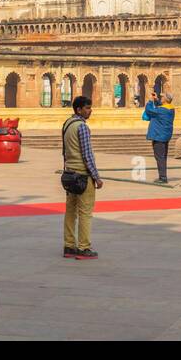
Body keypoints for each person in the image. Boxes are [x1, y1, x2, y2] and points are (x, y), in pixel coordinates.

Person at [61, 95, 103, 260]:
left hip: (70, 173)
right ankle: (84, 247)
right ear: (79, 109)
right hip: (82, 175)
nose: (90, 111)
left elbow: (64, 152)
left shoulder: (67, 124)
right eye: (87, 108)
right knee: (85, 212)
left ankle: (69, 245)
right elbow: (87, 155)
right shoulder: (82, 127)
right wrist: (96, 177)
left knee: (70, 211)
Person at [143, 91, 176, 184]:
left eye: (162, 97)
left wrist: (150, 101)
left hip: (159, 136)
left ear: (166, 99)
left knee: (159, 157)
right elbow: (161, 106)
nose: (161, 98)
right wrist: (156, 99)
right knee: (163, 157)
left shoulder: (162, 111)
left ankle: (163, 177)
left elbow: (149, 110)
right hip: (165, 136)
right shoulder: (171, 109)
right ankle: (163, 176)